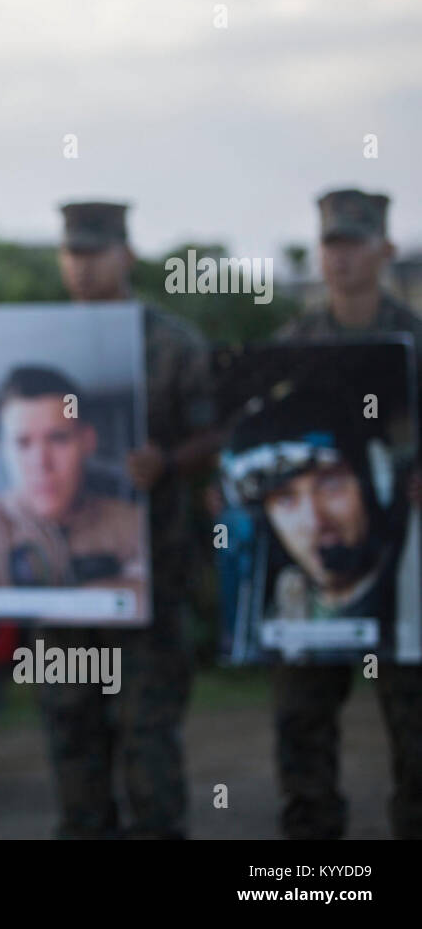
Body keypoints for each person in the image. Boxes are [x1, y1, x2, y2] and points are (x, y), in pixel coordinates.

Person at [32, 201, 217, 839]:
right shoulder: (38, 345)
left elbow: (214, 436)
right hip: (61, 592)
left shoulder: (173, 343)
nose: (82, 267)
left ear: (126, 255)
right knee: (71, 740)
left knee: (148, 744)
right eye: (72, 253)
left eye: (95, 252)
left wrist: (168, 461)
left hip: (150, 584)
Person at [267, 188, 422, 839]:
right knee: (302, 725)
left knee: (415, 734)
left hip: (410, 571)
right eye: (332, 243)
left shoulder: (414, 342)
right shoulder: (289, 348)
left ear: (385, 250)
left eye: (356, 242)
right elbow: (262, 445)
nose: (343, 256)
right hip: (318, 565)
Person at [221, 384, 403, 649]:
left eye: (331, 485)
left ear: (377, 482)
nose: (314, 521)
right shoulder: (285, 601)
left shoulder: (407, 589)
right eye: (285, 498)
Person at [0, 365, 145, 601]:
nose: (41, 463)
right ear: (3, 450)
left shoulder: (135, 527)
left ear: (88, 441)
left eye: (58, 439)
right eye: (23, 443)